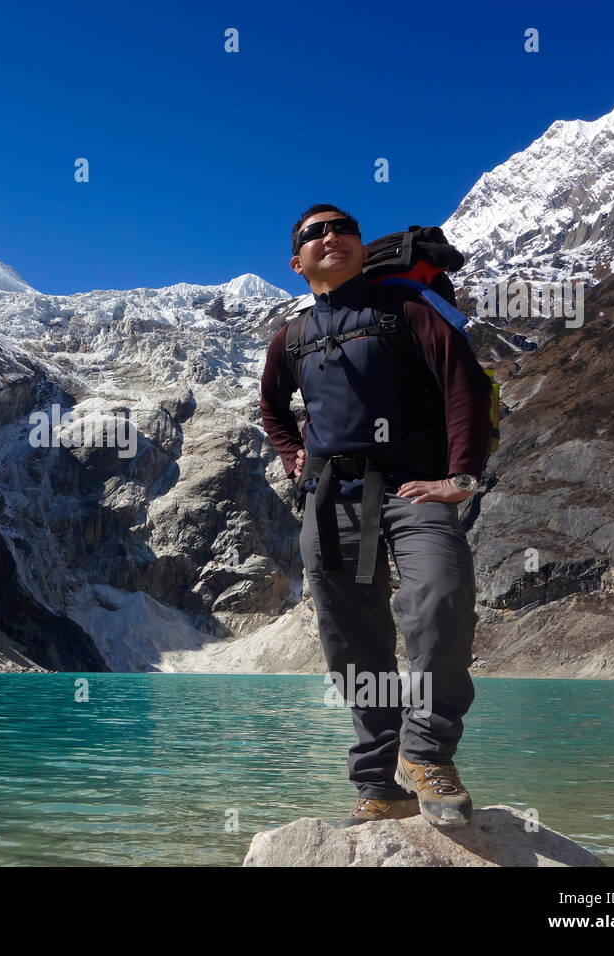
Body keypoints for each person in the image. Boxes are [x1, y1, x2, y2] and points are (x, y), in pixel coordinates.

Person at [259, 204, 493, 828]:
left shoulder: (406, 311)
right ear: (296, 261)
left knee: (441, 597)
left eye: (344, 229)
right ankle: (377, 785)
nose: (331, 237)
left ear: (362, 247)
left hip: (414, 490)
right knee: (353, 646)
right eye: (315, 233)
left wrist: (462, 477)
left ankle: (427, 754)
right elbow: (272, 409)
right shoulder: (292, 337)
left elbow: (464, 384)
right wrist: (293, 457)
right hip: (330, 501)